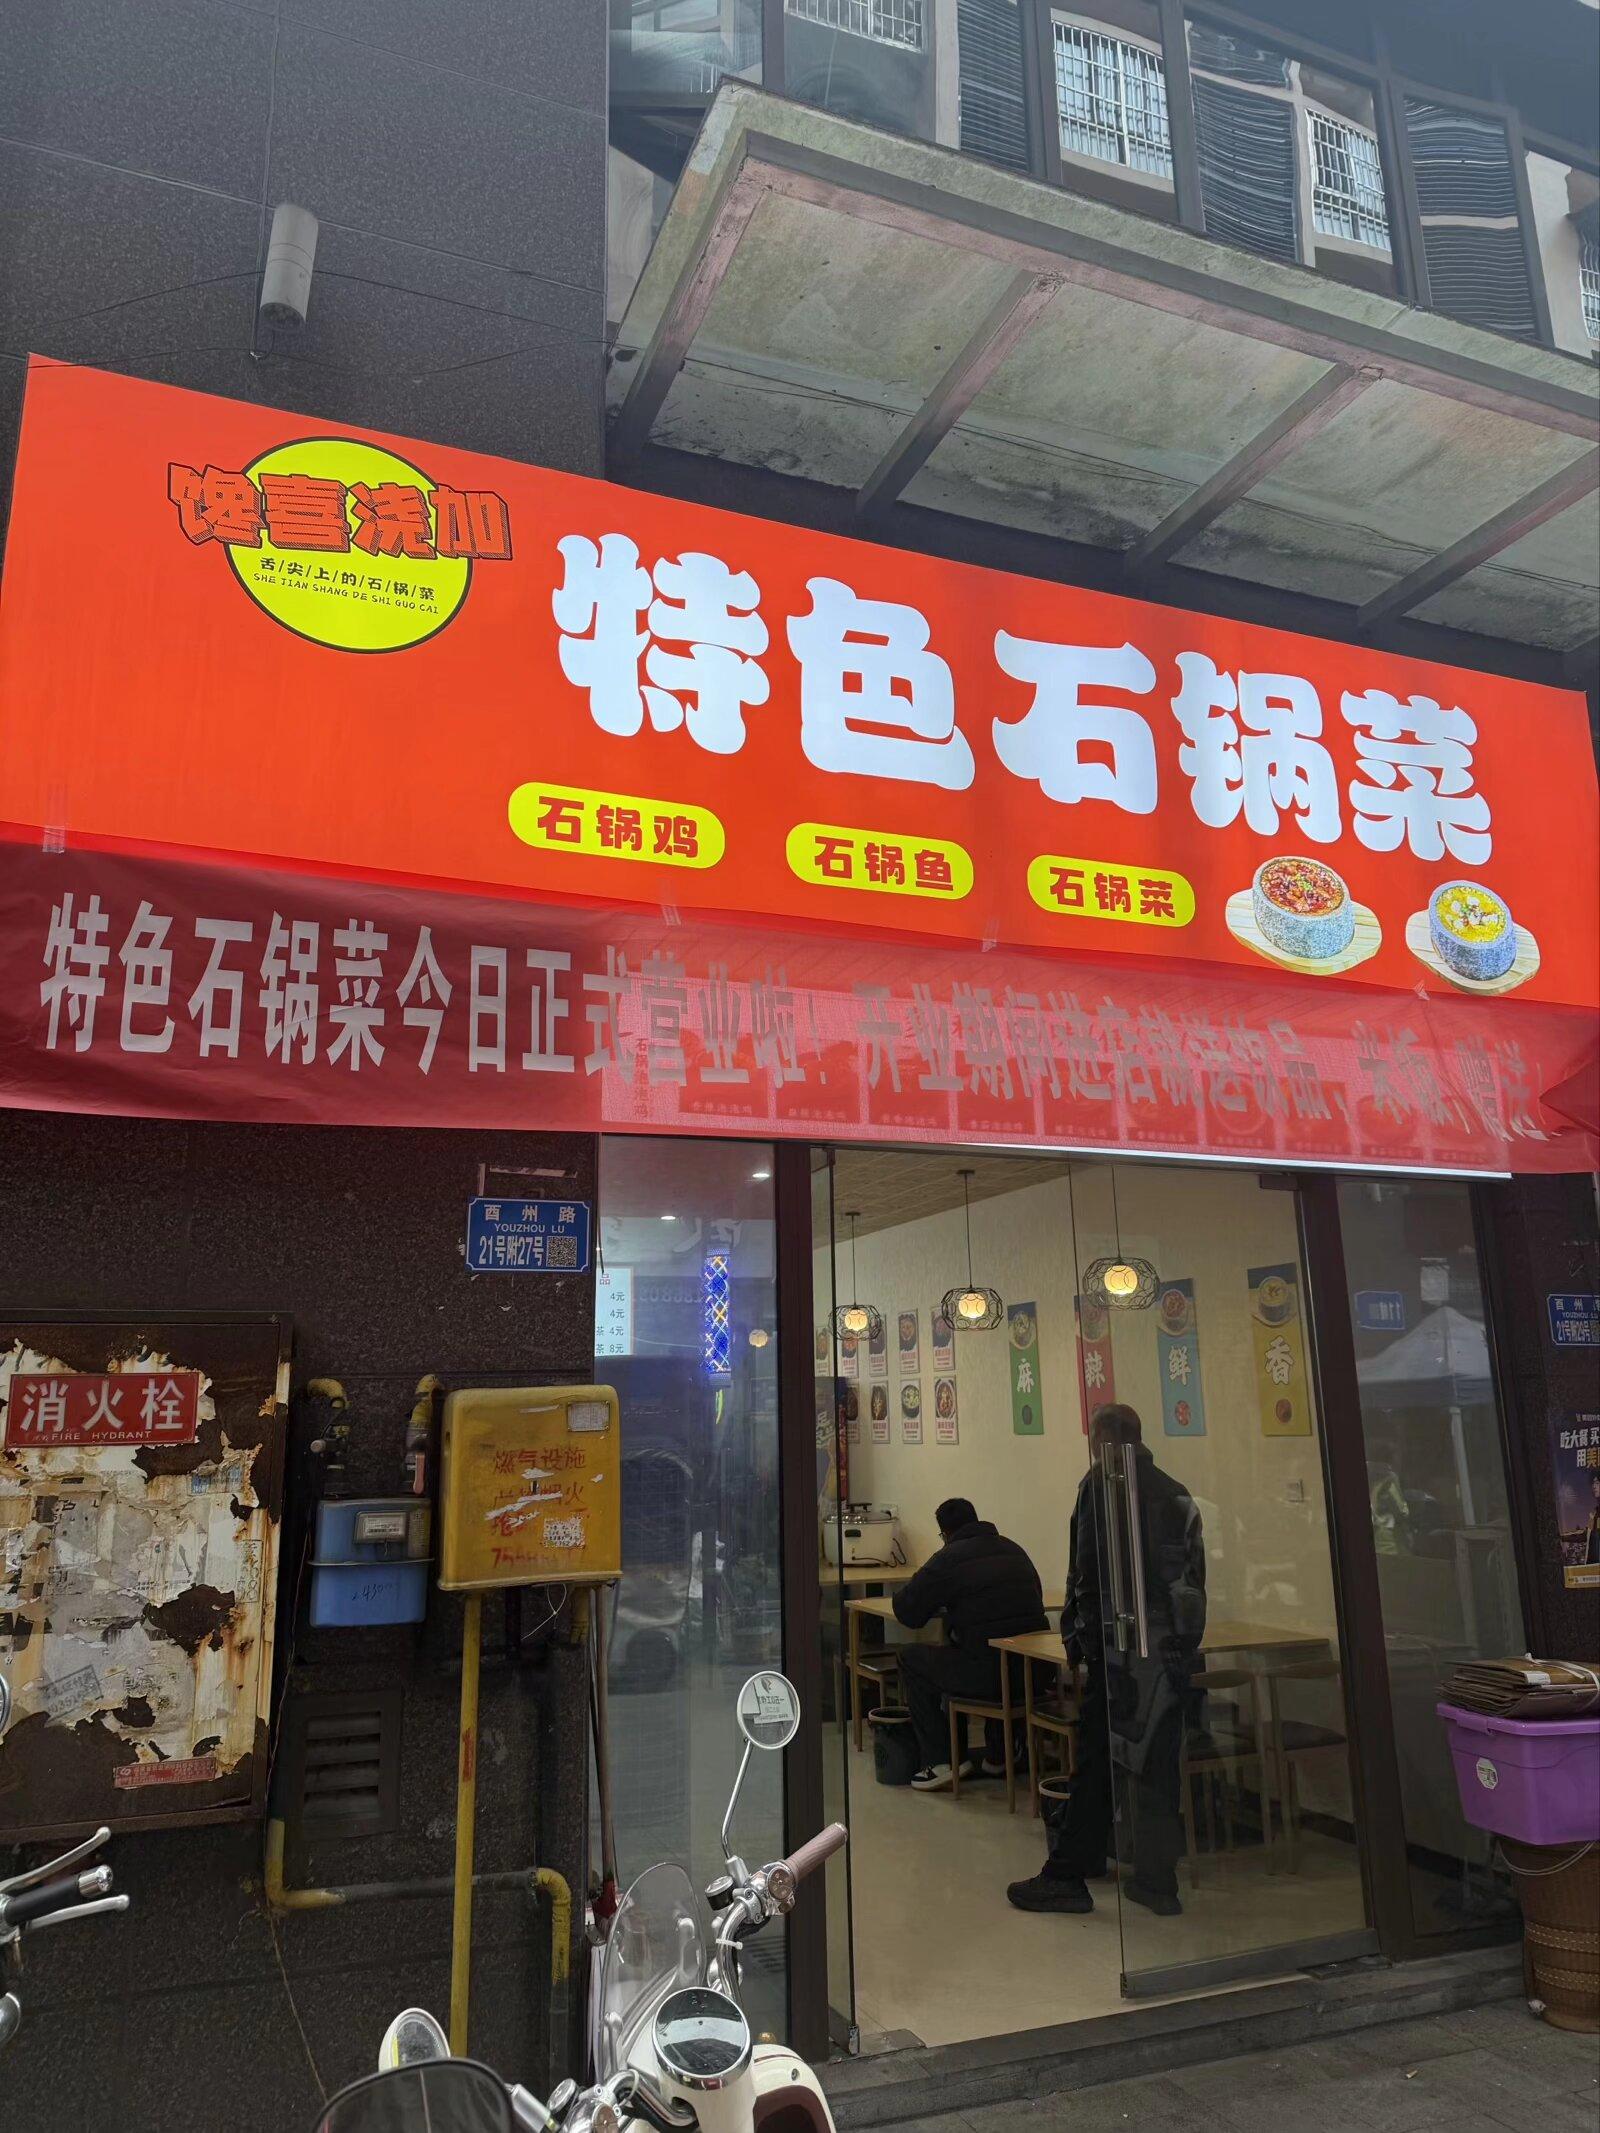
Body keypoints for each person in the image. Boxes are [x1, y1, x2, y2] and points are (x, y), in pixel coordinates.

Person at [1008, 1404, 1205, 1918]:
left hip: (1119, 1652)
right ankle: (1157, 1880)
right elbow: (1193, 1582)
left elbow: (1086, 1571)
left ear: (1099, 1441)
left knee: (1095, 1762)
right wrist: (1183, 1648)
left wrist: (1081, 1643)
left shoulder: (1101, 1486)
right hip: (1168, 1655)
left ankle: (1068, 1873)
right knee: (1157, 1766)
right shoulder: (1176, 1492)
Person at [891, 1498, 1048, 1791]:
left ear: (945, 1533)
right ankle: (1001, 1755)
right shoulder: (1014, 1550)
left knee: (913, 1658)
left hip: (988, 1676)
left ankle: (944, 1761)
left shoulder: (948, 1558)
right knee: (997, 1648)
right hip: (1035, 1672)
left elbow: (907, 1610)